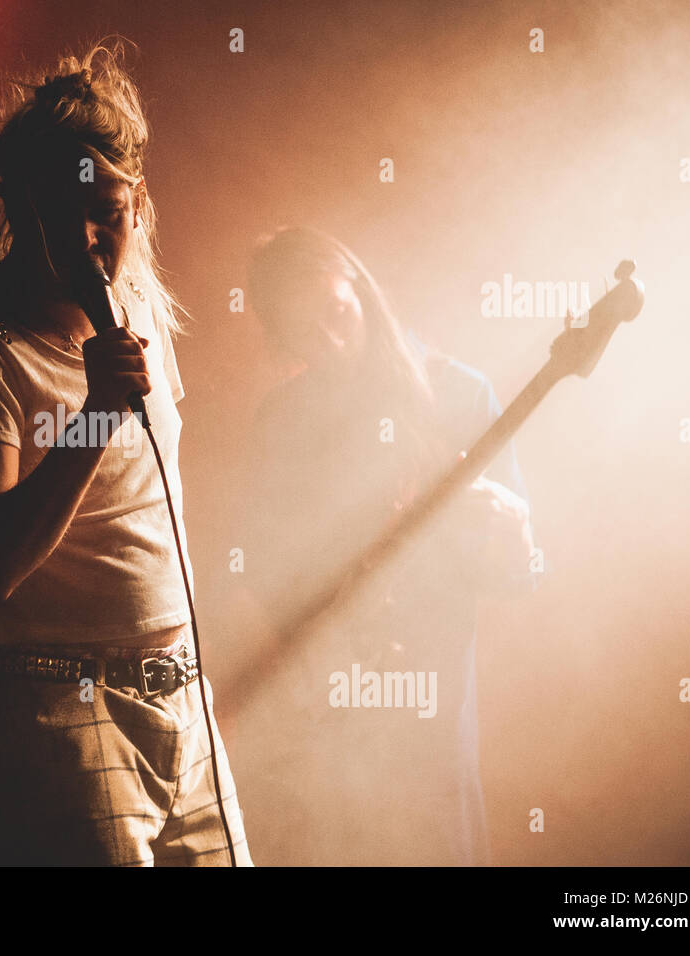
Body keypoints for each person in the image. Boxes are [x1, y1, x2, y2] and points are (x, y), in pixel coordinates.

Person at [0, 40, 252, 866]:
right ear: (22, 210)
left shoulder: (143, 314)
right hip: (53, 699)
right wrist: (95, 413)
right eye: (70, 214)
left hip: (180, 691)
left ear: (139, 202)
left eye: (113, 212)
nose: (95, 238)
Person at [235, 227, 536, 865]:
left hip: (431, 720)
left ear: (362, 291)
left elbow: (518, 574)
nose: (333, 342)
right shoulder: (282, 421)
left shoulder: (459, 393)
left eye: (339, 313)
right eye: (307, 334)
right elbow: (261, 576)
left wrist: (513, 532)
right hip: (322, 729)